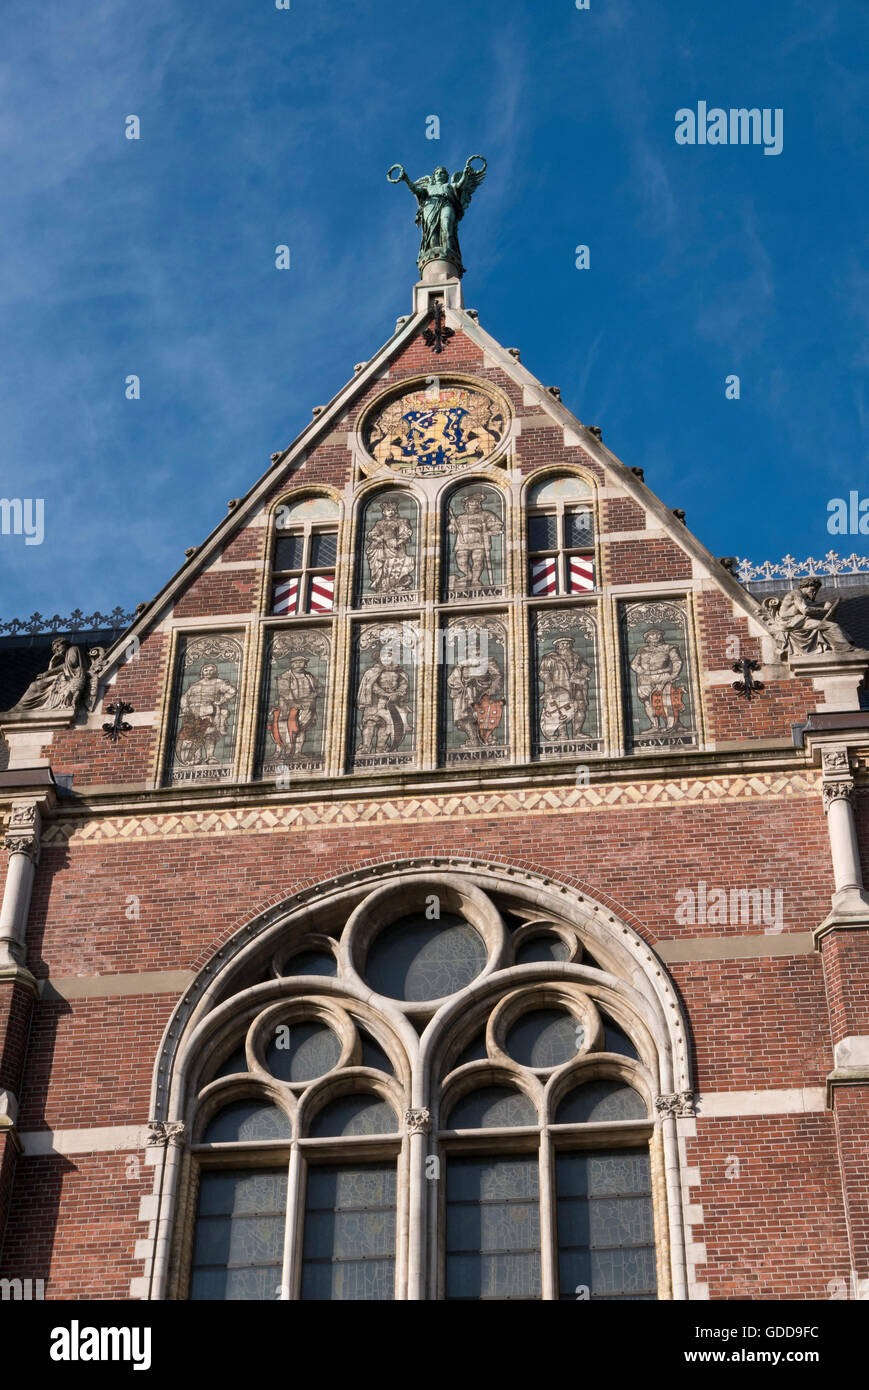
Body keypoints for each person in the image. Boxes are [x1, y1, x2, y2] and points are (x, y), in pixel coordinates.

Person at [176, 662, 237, 765]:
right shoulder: (195, 685)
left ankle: (210, 756)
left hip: (209, 711)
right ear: (202, 672)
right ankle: (196, 758)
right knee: (193, 736)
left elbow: (232, 691)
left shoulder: (219, 682)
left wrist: (222, 701)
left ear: (215, 672)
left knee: (210, 734)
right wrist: (185, 707)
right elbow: (184, 697)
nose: (208, 672)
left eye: (210, 670)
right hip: (193, 713)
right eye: (206, 670)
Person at [776, 578, 855, 655]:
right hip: (791, 622)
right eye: (813, 589)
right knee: (832, 626)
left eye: (816, 590)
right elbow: (806, 610)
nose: (814, 593)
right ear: (806, 586)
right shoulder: (797, 593)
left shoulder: (800, 595)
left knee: (828, 626)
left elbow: (808, 608)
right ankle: (845, 649)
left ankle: (845, 645)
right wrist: (825, 609)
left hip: (797, 621)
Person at [9, 638, 86, 712]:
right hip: (65, 679)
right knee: (36, 685)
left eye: (58, 646)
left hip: (71, 680)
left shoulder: (73, 649)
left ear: (65, 644)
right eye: (55, 650)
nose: (57, 650)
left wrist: (48, 673)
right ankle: (21, 707)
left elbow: (72, 664)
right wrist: (52, 664)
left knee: (35, 685)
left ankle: (20, 707)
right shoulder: (68, 653)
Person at [630, 629, 685, 731]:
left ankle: (673, 725)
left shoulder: (669, 648)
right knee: (647, 702)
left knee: (666, 700)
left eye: (657, 634)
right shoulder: (641, 650)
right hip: (644, 679)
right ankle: (655, 726)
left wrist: (672, 676)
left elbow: (677, 662)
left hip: (662, 676)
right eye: (651, 635)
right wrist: (642, 671)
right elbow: (634, 664)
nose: (655, 636)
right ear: (647, 638)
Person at [358, 652, 411, 754]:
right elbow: (371, 685)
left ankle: (381, 748)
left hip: (391, 703)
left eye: (392, 656)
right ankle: (365, 747)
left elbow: (403, 685)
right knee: (370, 723)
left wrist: (398, 693)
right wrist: (386, 694)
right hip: (376, 702)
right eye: (387, 656)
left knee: (386, 725)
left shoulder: (400, 673)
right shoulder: (372, 672)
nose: (390, 659)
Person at [539, 636, 590, 740]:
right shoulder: (550, 658)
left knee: (580, 708)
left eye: (568, 643)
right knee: (560, 711)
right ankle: (563, 734)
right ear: (558, 646)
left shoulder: (576, 657)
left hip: (576, 687)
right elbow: (543, 673)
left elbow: (586, 668)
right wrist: (550, 683)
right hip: (559, 688)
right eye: (563, 644)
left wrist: (579, 675)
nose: (566, 646)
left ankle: (577, 733)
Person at [449, 491, 502, 587]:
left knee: (477, 560)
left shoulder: (485, 514)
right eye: (471, 502)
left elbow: (497, 526)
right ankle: (468, 575)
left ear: (479, 504)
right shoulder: (461, 517)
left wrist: (489, 533)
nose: (474, 504)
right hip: (463, 543)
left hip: (479, 542)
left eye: (476, 502)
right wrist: (452, 524)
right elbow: (452, 530)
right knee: (461, 561)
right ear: (467, 504)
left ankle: (475, 580)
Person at [273, 655, 322, 757]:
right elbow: (284, 692)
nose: (298, 664)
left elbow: (319, 688)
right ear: (291, 664)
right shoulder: (285, 676)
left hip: (306, 707)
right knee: (286, 729)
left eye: (301, 662)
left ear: (305, 664)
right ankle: (282, 752)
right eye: (296, 662)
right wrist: (295, 704)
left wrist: (313, 695)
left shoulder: (309, 676)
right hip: (289, 707)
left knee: (301, 729)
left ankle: (297, 752)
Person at [365, 498, 414, 594]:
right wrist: (378, 538)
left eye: (392, 510)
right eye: (388, 510)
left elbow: (406, 533)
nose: (390, 512)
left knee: (396, 564)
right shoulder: (379, 523)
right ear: (384, 512)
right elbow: (372, 534)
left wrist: (398, 542)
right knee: (382, 567)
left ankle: (396, 586)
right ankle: (382, 587)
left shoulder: (401, 521)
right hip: (381, 547)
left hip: (395, 547)